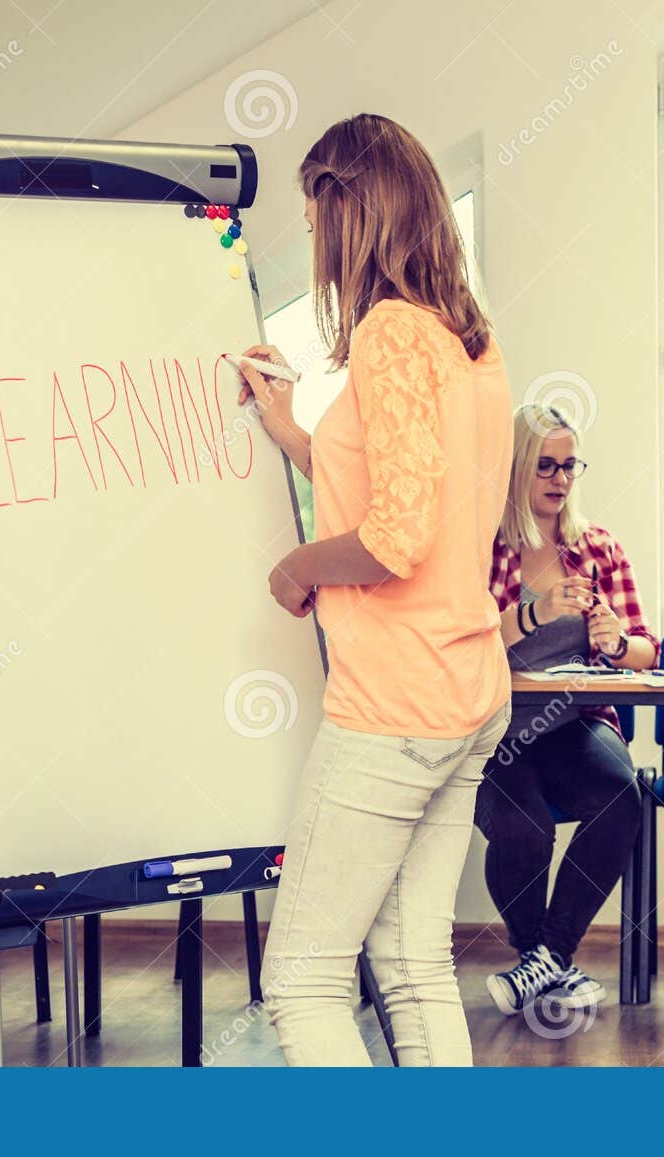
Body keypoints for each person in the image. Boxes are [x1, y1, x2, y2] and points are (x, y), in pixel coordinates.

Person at [234, 114, 513, 1065]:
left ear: (351, 210)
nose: (313, 238)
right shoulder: (467, 339)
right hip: (466, 688)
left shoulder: (391, 332)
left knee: (303, 979)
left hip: (396, 702)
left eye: (317, 215)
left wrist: (296, 567)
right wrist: (288, 426)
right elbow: (400, 487)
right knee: (412, 959)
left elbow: (394, 538)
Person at [477, 404, 658, 1015]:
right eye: (545, 466)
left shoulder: (597, 547)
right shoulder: (482, 547)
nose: (560, 479)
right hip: (495, 726)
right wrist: (537, 611)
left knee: (622, 797)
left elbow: (647, 650)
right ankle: (544, 959)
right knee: (522, 827)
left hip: (575, 722)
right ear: (515, 468)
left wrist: (616, 642)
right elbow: (462, 646)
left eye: (570, 466)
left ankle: (545, 959)